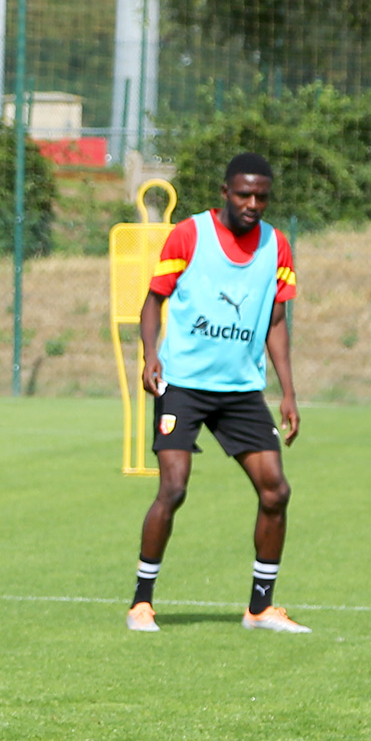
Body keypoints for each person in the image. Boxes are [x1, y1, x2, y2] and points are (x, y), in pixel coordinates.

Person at [127, 152, 308, 634]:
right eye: (244, 194)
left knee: (276, 490)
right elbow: (153, 300)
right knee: (174, 486)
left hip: (242, 390)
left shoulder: (277, 246)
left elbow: (275, 322)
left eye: (262, 197)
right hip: (183, 382)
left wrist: (288, 392)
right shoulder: (189, 234)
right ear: (225, 192)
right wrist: (150, 356)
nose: (253, 204)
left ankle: (260, 608)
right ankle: (141, 602)